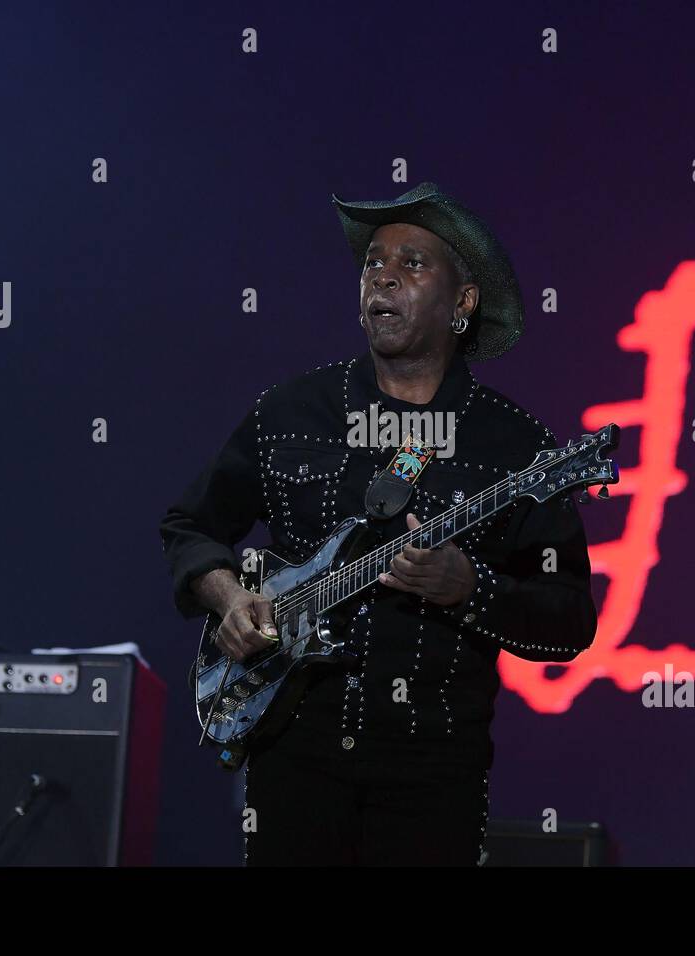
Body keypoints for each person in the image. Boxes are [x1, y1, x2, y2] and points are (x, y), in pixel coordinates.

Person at [160, 181, 598, 865]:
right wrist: (229, 598)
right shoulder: (291, 413)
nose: (383, 276)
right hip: (292, 760)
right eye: (373, 263)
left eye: (412, 264)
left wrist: (470, 587)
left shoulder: (514, 448)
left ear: (463, 303)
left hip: (433, 776)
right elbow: (189, 525)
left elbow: (570, 619)